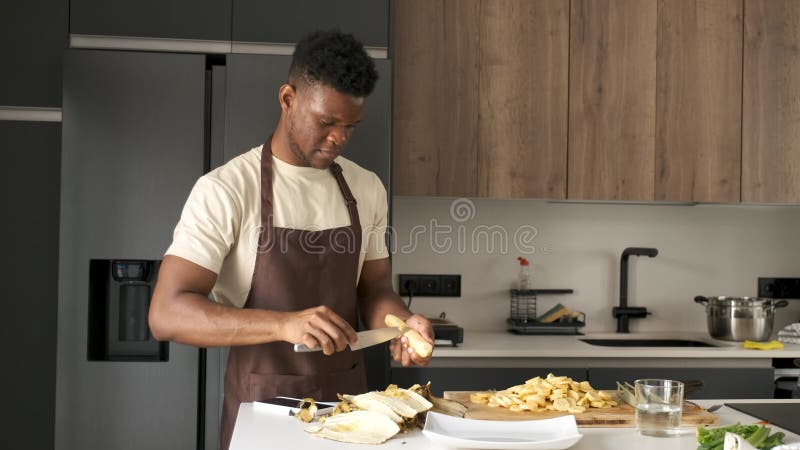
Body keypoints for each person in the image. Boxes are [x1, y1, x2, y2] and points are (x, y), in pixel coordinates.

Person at [148, 29, 433, 450]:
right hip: (263, 414)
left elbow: (373, 291)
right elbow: (166, 313)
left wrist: (400, 325)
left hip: (353, 413)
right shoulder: (227, 189)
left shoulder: (366, 188)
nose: (339, 138)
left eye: (350, 126)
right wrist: (284, 323)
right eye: (326, 122)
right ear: (288, 99)